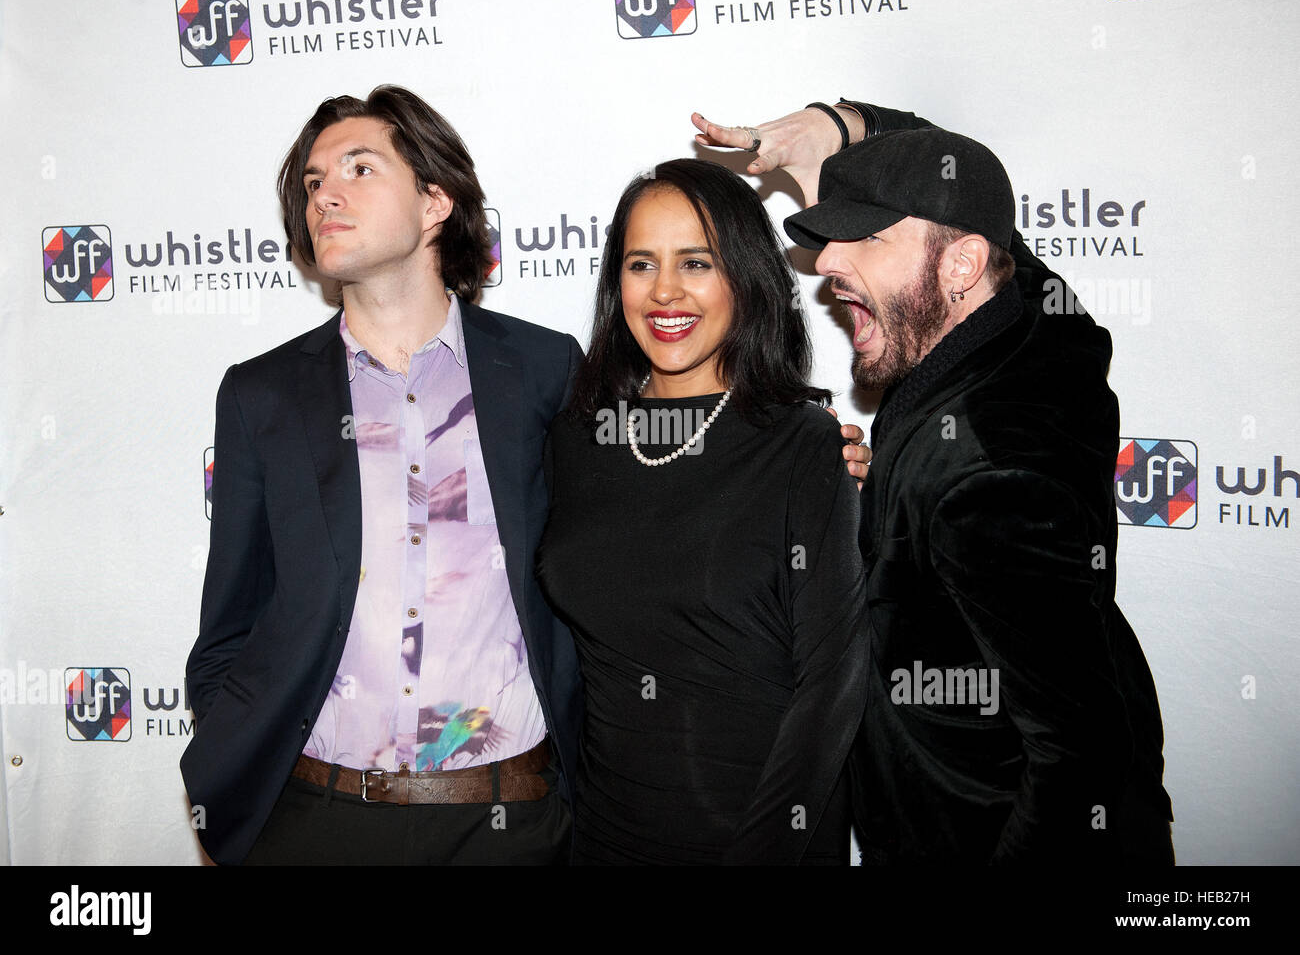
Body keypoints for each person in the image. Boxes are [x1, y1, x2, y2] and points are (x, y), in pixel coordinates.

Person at [695, 102, 1174, 864]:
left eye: (865, 239)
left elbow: (1080, 763)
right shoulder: (1047, 339)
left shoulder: (985, 474)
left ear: (961, 266)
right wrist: (848, 127)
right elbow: (982, 213)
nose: (825, 263)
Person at [181, 85, 584, 865]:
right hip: (311, 823)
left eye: (359, 169)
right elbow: (229, 625)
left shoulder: (542, 369)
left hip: (509, 827)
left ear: (436, 201)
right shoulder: (262, 394)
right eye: (311, 181)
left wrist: (802, 452)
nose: (324, 193)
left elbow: (624, 552)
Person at [536, 159, 868, 865]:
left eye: (696, 263)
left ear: (745, 277)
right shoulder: (576, 438)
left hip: (760, 836)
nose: (664, 291)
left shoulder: (802, 443)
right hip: (601, 838)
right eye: (639, 264)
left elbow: (833, 682)